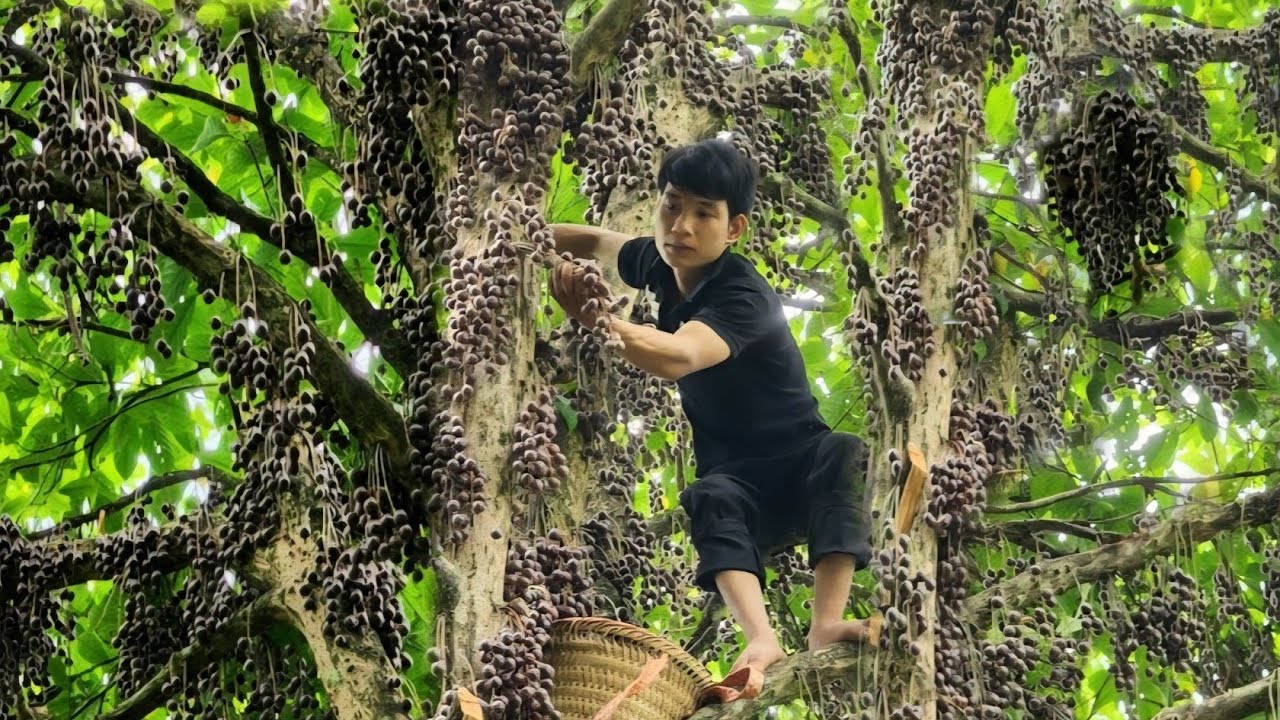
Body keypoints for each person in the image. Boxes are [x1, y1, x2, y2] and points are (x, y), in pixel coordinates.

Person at [546, 138, 876, 702]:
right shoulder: (659, 257)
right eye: (672, 205)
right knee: (709, 494)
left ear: (735, 229)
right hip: (738, 486)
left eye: (705, 213)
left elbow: (678, 356)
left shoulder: (744, 293)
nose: (683, 226)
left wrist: (601, 320)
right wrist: (519, 237)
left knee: (846, 450)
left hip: (803, 471)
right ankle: (761, 640)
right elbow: (599, 240)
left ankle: (827, 624)